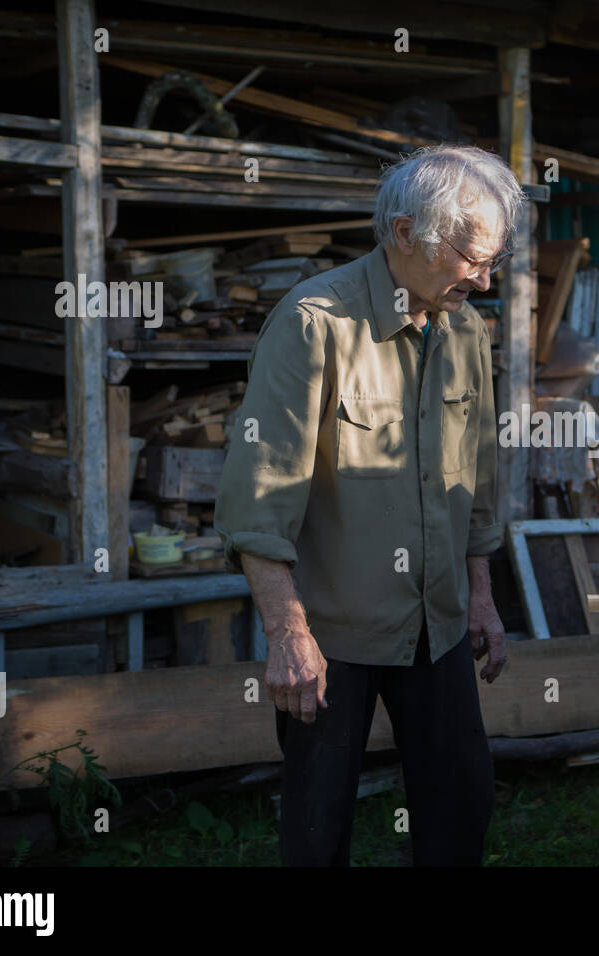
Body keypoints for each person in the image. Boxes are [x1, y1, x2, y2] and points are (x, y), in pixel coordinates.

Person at [214, 144, 526, 866]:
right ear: (403, 232)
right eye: (470, 257)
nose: (483, 279)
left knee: (461, 811)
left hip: (438, 624)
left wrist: (480, 597)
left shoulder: (467, 332)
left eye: (494, 260)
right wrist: (288, 634)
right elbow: (259, 496)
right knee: (319, 832)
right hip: (332, 638)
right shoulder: (313, 323)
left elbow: (475, 479)